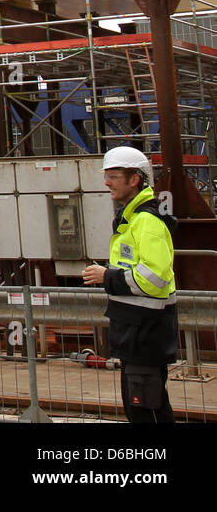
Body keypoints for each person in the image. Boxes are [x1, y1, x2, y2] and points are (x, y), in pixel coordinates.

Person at [81, 146, 177, 423]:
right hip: (136, 335)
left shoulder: (146, 221)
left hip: (145, 334)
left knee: (148, 413)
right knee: (144, 410)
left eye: (113, 175)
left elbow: (155, 278)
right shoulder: (134, 219)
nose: (106, 182)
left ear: (134, 179)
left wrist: (106, 276)